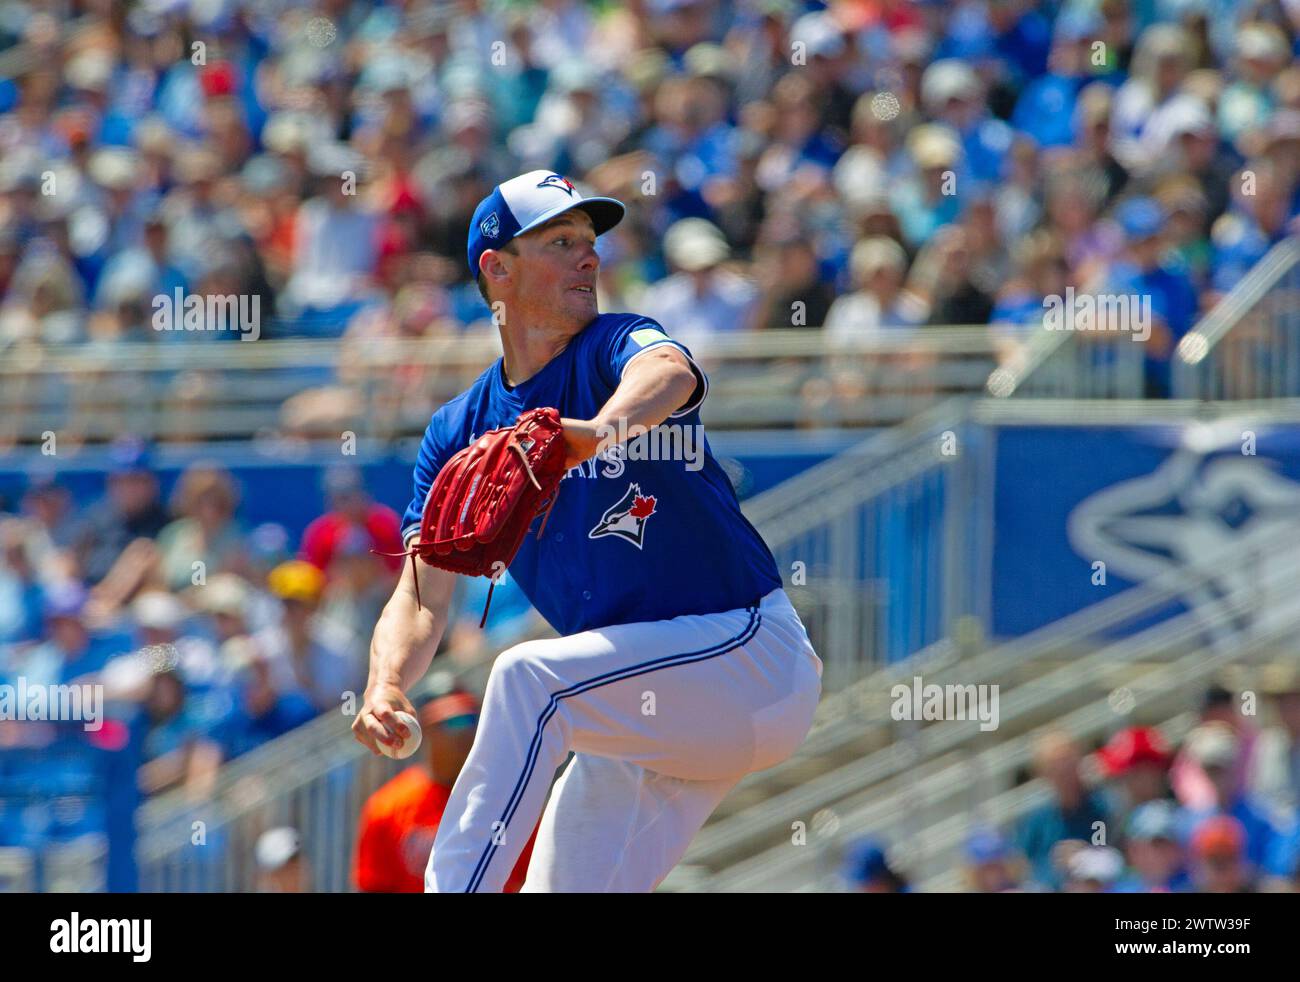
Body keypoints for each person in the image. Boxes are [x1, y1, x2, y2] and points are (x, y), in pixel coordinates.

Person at [351, 170, 823, 893]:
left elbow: (669, 371)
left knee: (526, 677)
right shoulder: (458, 430)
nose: (590, 257)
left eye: (591, 241)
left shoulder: (613, 345)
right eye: (561, 241)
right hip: (648, 714)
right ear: (495, 268)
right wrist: (386, 682)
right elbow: (422, 597)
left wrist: (599, 431)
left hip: (748, 658)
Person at [353, 688, 535, 893]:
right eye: (452, 724)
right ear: (425, 730)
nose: (464, 733)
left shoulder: (511, 801)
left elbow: (532, 879)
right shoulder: (387, 806)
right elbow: (374, 885)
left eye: (471, 720)